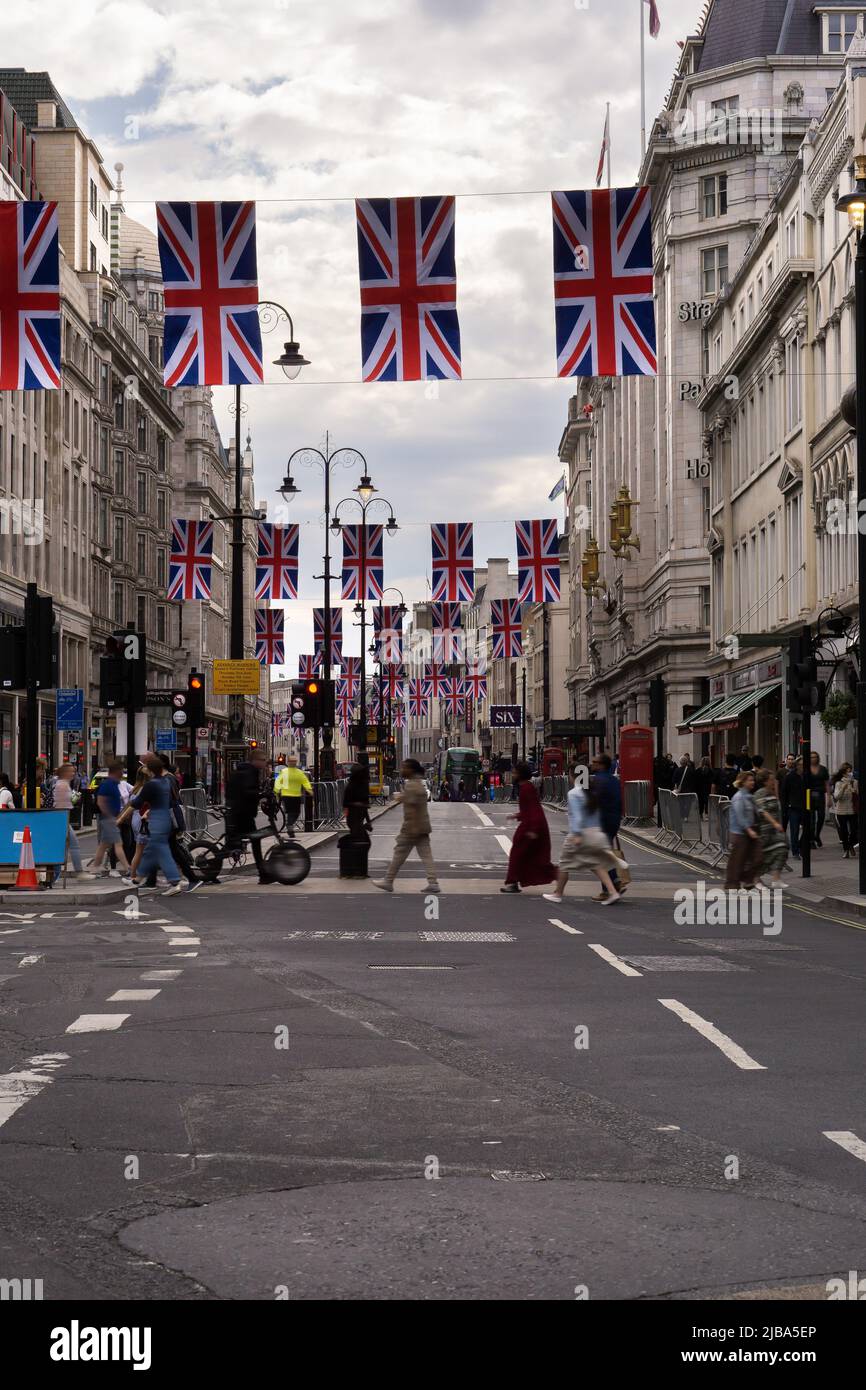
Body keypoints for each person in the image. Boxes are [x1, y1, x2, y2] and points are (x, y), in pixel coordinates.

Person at [543, 766, 630, 906]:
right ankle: (613, 892)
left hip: (580, 835)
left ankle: (557, 894)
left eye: (570, 775)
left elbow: (577, 817)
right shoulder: (591, 792)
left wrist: (576, 834)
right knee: (596, 864)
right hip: (596, 833)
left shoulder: (574, 793)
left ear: (573, 777)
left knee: (564, 864)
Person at [373, 759, 440, 893]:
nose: (402, 770)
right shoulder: (418, 784)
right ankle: (433, 882)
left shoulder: (411, 786)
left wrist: (401, 798)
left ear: (411, 770)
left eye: (405, 767)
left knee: (399, 855)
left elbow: (412, 808)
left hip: (412, 829)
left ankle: (388, 881)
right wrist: (402, 797)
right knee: (426, 855)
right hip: (423, 827)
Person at [129, 753, 185, 895]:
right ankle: (138, 878)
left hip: (156, 821)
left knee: (162, 853)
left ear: (151, 770)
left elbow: (137, 802)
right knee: (150, 851)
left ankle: (174, 882)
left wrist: (130, 801)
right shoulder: (165, 782)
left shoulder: (151, 784)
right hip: (165, 819)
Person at [500, 762, 555, 893]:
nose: (513, 774)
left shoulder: (526, 788)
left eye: (514, 772)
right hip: (530, 826)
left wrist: (533, 830)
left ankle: (512, 883)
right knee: (530, 856)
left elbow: (535, 810)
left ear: (520, 774)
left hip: (530, 827)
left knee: (517, 855)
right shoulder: (525, 787)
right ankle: (514, 882)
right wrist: (516, 815)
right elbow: (530, 809)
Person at [225, 747, 272, 884]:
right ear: (255, 760)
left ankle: (263, 874)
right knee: (254, 841)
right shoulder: (249, 772)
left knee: (240, 841)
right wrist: (261, 795)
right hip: (242, 813)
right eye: (263, 760)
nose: (265, 763)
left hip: (242, 812)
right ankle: (263, 874)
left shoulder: (251, 771)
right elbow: (248, 792)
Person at [590, 752, 625, 901]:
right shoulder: (614, 780)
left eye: (595, 762)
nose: (593, 764)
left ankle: (612, 885)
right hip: (613, 821)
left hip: (601, 822)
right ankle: (610, 886)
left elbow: (593, 803)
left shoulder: (599, 780)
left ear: (602, 765)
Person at [52, 763, 94, 880]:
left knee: (60, 847)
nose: (73, 774)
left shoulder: (63, 784)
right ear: (64, 772)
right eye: (71, 771)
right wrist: (73, 799)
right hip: (61, 818)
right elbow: (61, 804)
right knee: (72, 845)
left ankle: (56, 874)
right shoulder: (62, 785)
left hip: (62, 818)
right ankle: (78, 872)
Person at [90, 762, 132, 878]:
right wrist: (109, 815)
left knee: (103, 845)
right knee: (118, 843)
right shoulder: (107, 784)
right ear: (116, 771)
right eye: (121, 771)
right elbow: (100, 801)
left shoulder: (114, 783)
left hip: (111, 818)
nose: (122, 773)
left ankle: (95, 869)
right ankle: (128, 868)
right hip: (109, 818)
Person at [724, 770, 762, 890]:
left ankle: (747, 879)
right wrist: (749, 830)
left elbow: (758, 812)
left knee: (758, 858)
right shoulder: (739, 798)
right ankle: (733, 884)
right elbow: (740, 816)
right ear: (743, 782)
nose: (753, 782)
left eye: (753, 780)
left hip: (751, 831)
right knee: (737, 860)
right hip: (740, 833)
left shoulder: (750, 796)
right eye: (750, 780)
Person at [117, 767, 153, 884]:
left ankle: (137, 876)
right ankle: (134, 877)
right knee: (142, 850)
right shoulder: (145, 789)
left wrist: (121, 818)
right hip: (143, 820)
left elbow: (129, 806)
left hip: (136, 820)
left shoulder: (135, 789)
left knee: (141, 850)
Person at [753, 768, 788, 890]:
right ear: (765, 781)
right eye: (771, 780)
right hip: (763, 831)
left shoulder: (771, 792)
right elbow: (762, 811)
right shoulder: (760, 793)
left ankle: (776, 879)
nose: (774, 782)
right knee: (763, 856)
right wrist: (775, 823)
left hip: (773, 831)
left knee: (781, 849)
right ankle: (756, 879)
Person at [274, 755, 312, 831]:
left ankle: (289, 824)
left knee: (297, 812)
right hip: (286, 795)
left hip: (296, 796)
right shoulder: (284, 772)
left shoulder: (299, 772)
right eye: (291, 761)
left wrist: (309, 790)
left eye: (294, 761)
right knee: (290, 811)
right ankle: (290, 825)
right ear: (288, 762)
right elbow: (278, 781)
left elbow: (305, 781)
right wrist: (276, 792)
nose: (293, 763)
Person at [831, 762, 859, 858]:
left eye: (851, 771)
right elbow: (836, 797)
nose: (850, 774)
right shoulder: (838, 783)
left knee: (854, 830)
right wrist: (843, 789)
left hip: (852, 810)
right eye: (848, 772)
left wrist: (854, 792)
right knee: (844, 831)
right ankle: (846, 849)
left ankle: (851, 845)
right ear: (843, 773)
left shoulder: (855, 782)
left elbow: (858, 796)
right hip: (841, 810)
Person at [780, 756, 805, 859]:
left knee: (809, 829)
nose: (803, 766)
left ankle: (800, 846)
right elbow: (784, 792)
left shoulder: (807, 775)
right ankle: (795, 851)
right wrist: (785, 807)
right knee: (794, 830)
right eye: (801, 764)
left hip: (805, 806)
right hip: (793, 807)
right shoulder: (790, 776)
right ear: (797, 765)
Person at [343, 764, 372, 841]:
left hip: (358, 814)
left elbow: (365, 804)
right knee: (357, 834)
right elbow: (346, 803)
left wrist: (368, 821)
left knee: (358, 835)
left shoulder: (362, 784)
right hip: (353, 814)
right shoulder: (352, 785)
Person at [809, 751, 830, 848]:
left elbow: (827, 783)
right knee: (811, 819)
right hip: (809, 796)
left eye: (815, 757)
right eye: (811, 757)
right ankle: (812, 839)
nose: (813, 759)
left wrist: (829, 797)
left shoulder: (823, 769)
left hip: (821, 795)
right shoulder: (806, 768)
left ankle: (817, 835)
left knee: (821, 817)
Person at [778, 753, 796, 830]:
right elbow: (777, 784)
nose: (790, 761)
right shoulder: (781, 772)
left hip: (794, 800)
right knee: (784, 821)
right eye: (789, 759)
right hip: (784, 799)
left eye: (792, 759)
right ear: (786, 760)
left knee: (794, 823)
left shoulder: (796, 772)